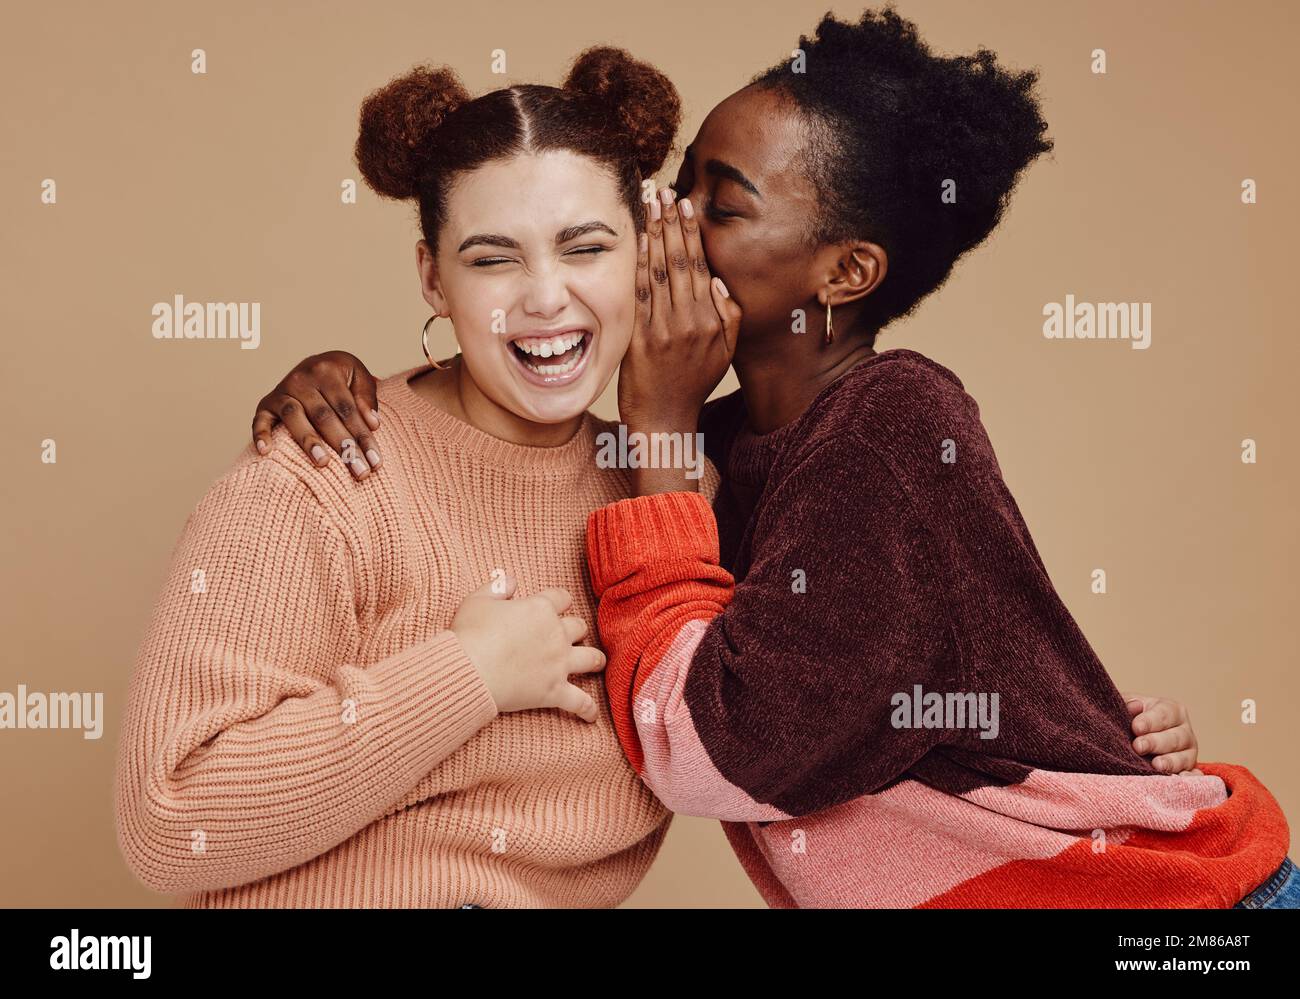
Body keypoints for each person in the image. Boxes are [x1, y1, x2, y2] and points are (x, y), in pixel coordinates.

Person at [242, 10, 1221, 907]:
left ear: (842, 273)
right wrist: (336, 379)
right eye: (675, 187)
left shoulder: (894, 417)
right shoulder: (705, 453)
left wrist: (661, 430)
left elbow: (723, 750)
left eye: (723, 206)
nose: (666, 224)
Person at [114, 47, 710, 909]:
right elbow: (169, 823)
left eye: (585, 246)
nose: (545, 297)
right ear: (433, 276)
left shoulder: (672, 496)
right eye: (492, 258)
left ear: (646, 251)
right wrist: (465, 673)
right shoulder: (323, 470)